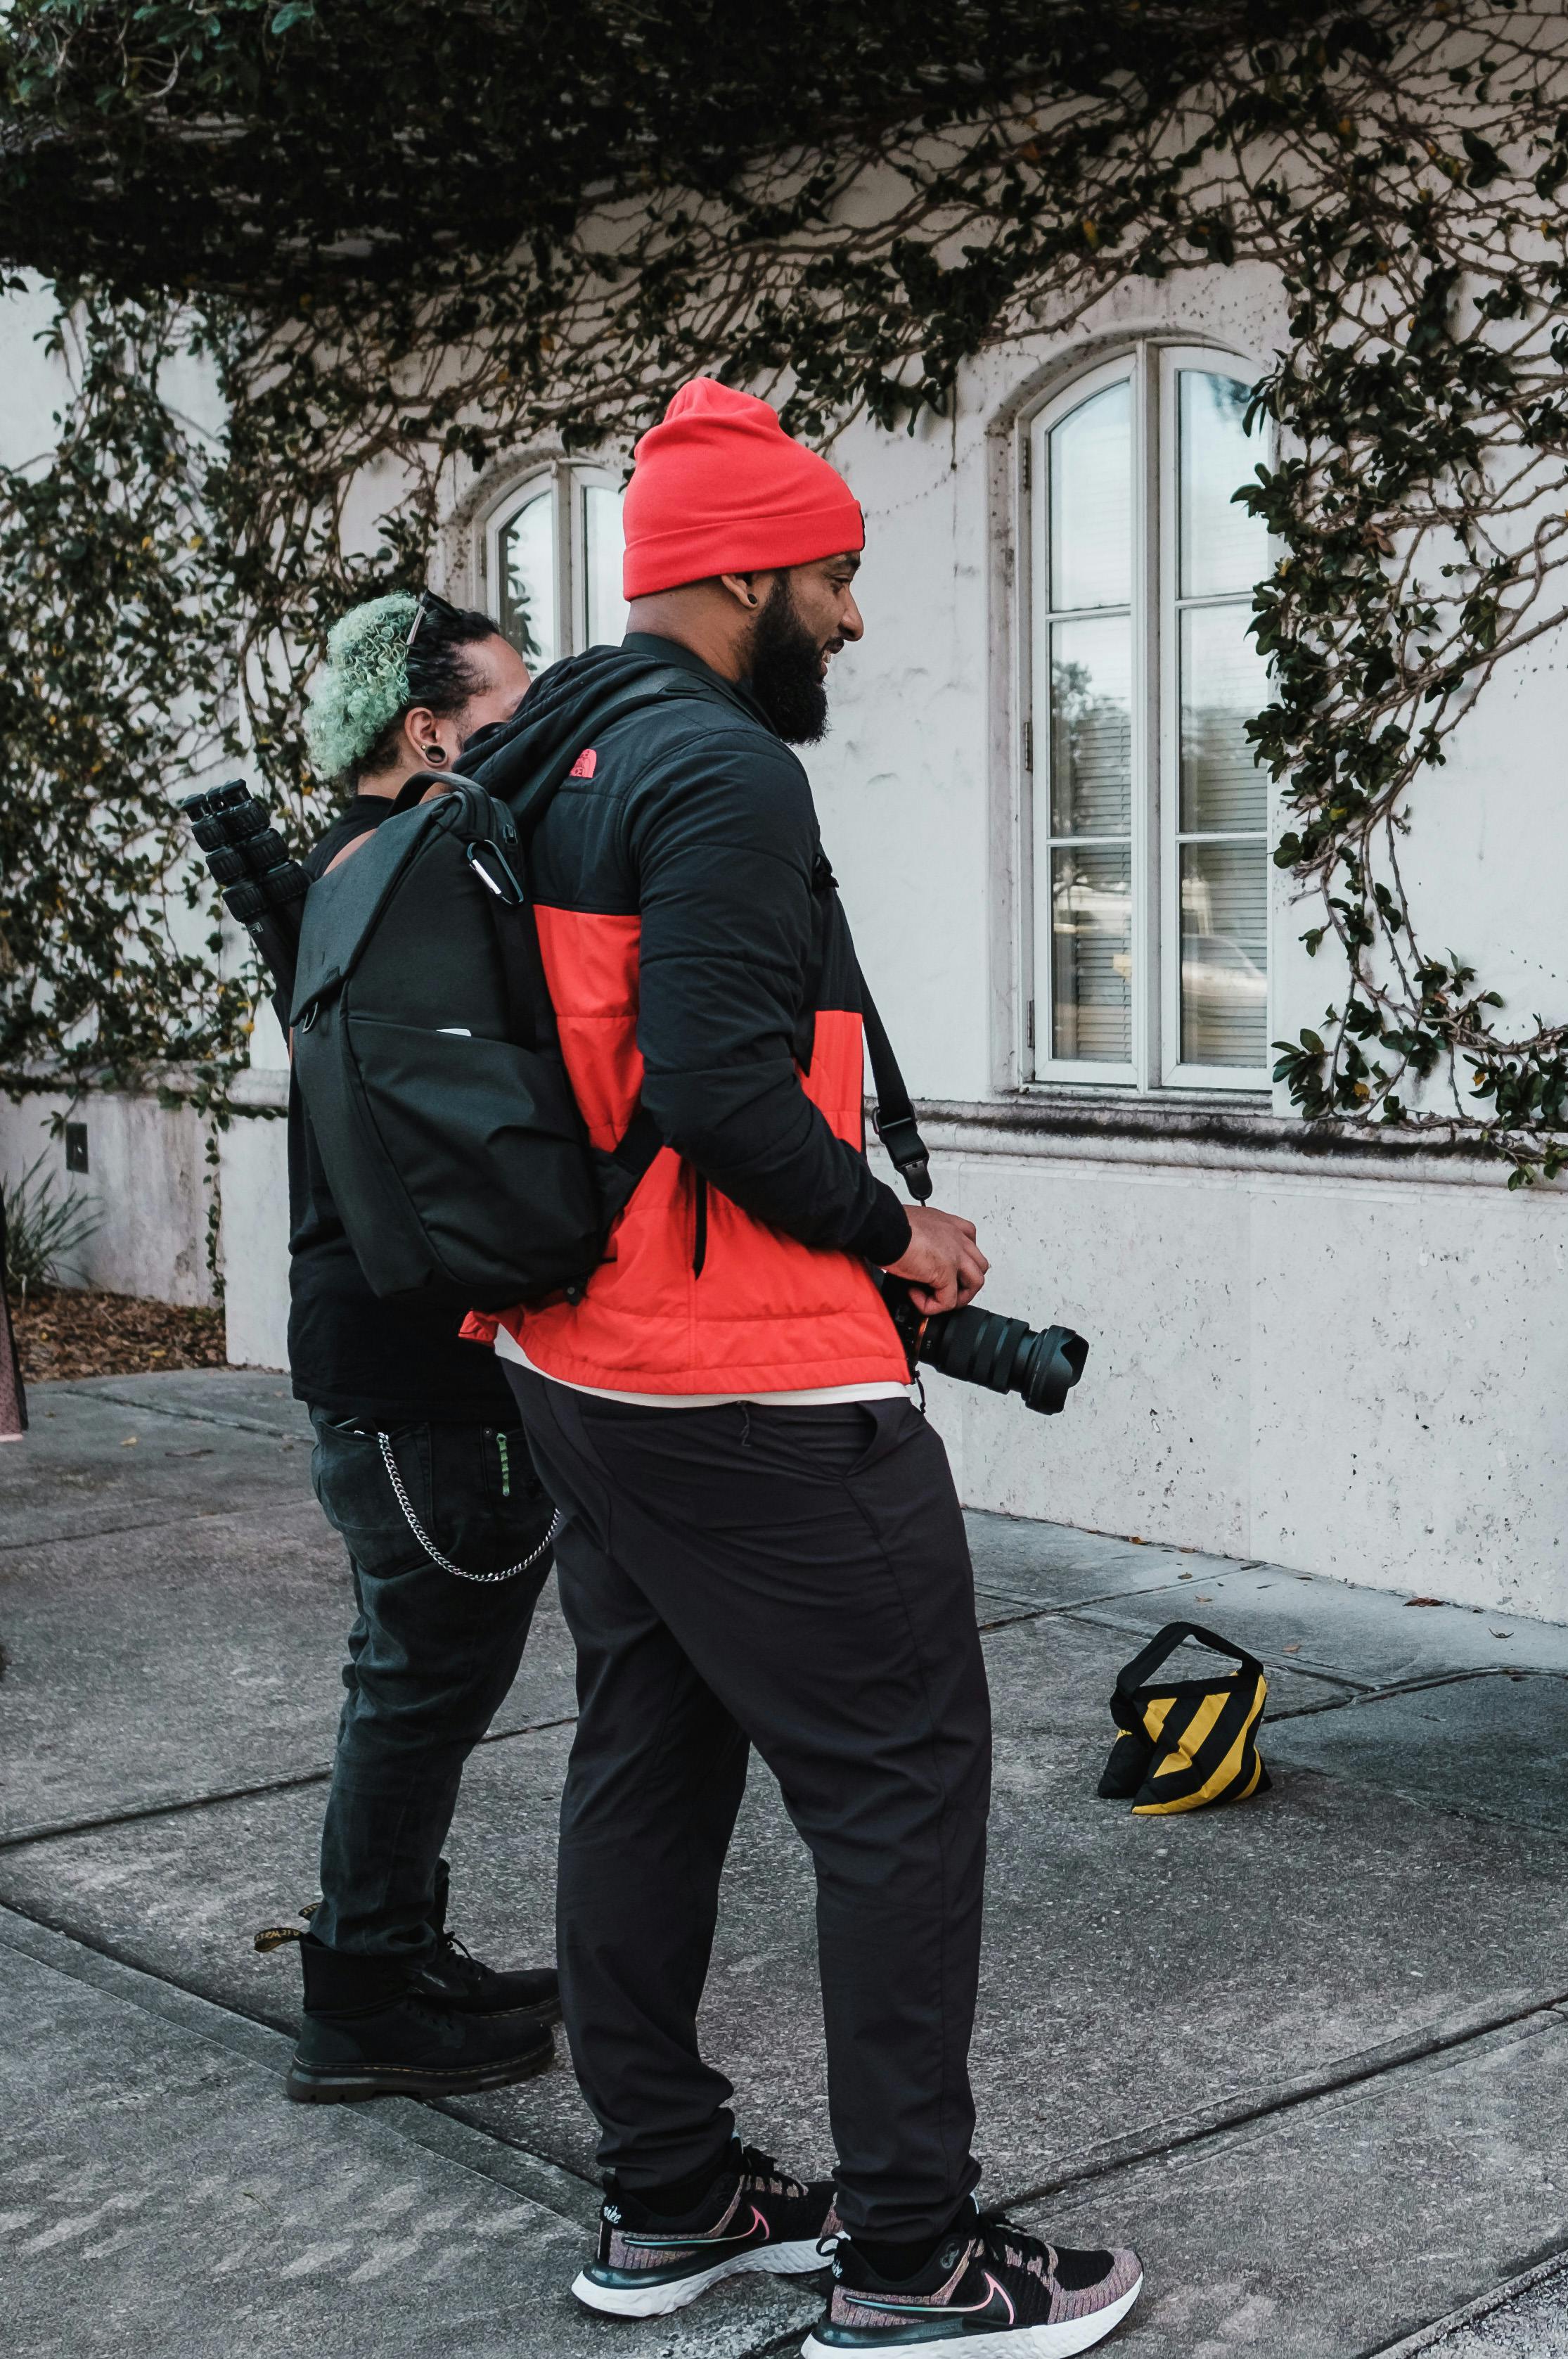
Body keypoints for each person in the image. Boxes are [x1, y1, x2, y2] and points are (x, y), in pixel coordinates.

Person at [458, 378, 1140, 2352]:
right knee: (906, 1780)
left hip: (578, 1358)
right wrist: (893, 1232)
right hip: (743, 1368)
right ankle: (917, 2258)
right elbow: (712, 1085)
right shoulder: (728, 772)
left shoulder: (546, 742)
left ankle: (669, 2200)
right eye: (837, 574)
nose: (851, 616)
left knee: (648, 1755)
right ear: (747, 566)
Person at [276, 590, 566, 2105]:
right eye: (506, 716)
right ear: (427, 730)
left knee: (414, 1677)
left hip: (382, 1361)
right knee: (417, 1682)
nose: (527, 743)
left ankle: (392, 1947)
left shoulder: (351, 875)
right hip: (413, 1375)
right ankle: (367, 1998)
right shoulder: (410, 883)